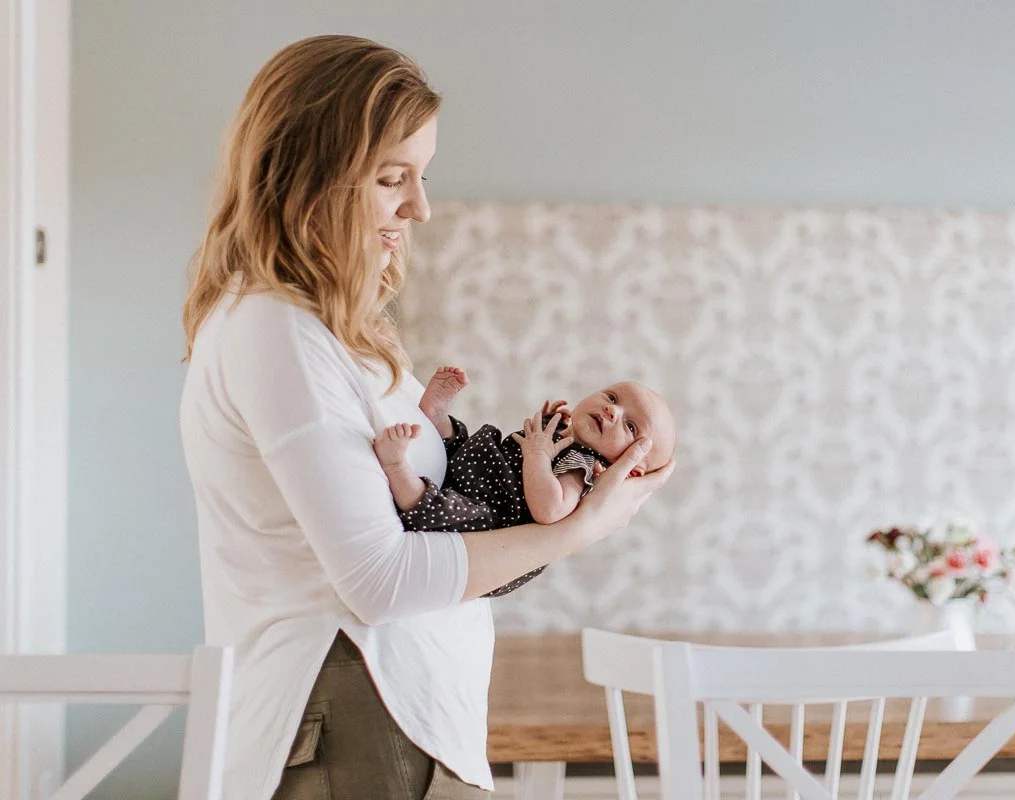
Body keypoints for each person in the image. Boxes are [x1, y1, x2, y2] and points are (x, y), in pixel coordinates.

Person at [179, 35, 673, 800]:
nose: (421, 207)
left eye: (421, 176)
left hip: (391, 714)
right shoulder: (274, 332)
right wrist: (579, 530)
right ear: (311, 179)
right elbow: (379, 579)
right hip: (352, 713)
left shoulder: (331, 332)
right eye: (391, 179)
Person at [373, 368, 676, 596]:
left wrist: (538, 456)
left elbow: (551, 509)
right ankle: (436, 418)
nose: (613, 410)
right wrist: (547, 422)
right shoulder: (564, 438)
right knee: (456, 447)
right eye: (612, 397)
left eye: (630, 425)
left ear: (631, 467)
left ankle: (397, 468)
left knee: (451, 509)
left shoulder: (581, 466)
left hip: (491, 520)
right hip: (480, 477)